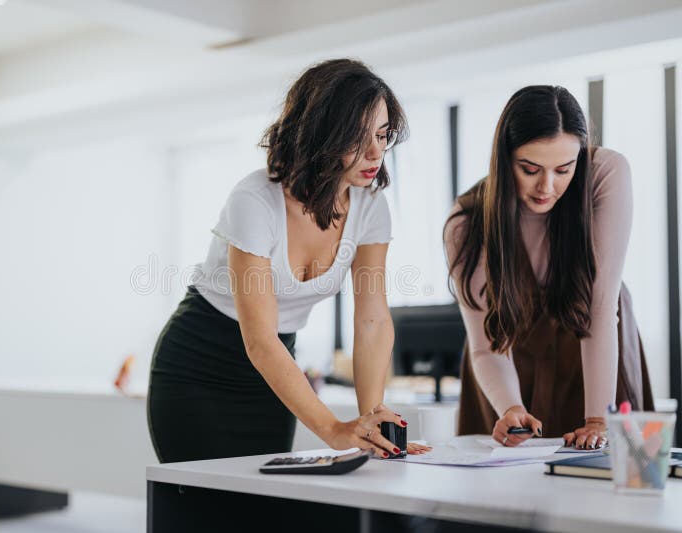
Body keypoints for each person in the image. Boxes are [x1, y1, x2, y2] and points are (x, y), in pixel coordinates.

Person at [148, 59, 431, 463]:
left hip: (274, 375)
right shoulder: (255, 200)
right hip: (199, 367)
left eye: (383, 136)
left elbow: (372, 318)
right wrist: (334, 429)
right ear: (321, 135)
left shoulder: (370, 205)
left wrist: (372, 418)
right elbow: (259, 338)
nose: (375, 153)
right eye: (357, 138)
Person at [444, 85, 654, 450]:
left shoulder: (606, 172)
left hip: (593, 345)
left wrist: (597, 420)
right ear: (505, 159)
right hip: (508, 354)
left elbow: (601, 309)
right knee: (505, 481)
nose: (547, 186)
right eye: (529, 169)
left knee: (606, 471)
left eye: (564, 169)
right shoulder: (467, 221)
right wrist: (510, 407)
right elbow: (485, 345)